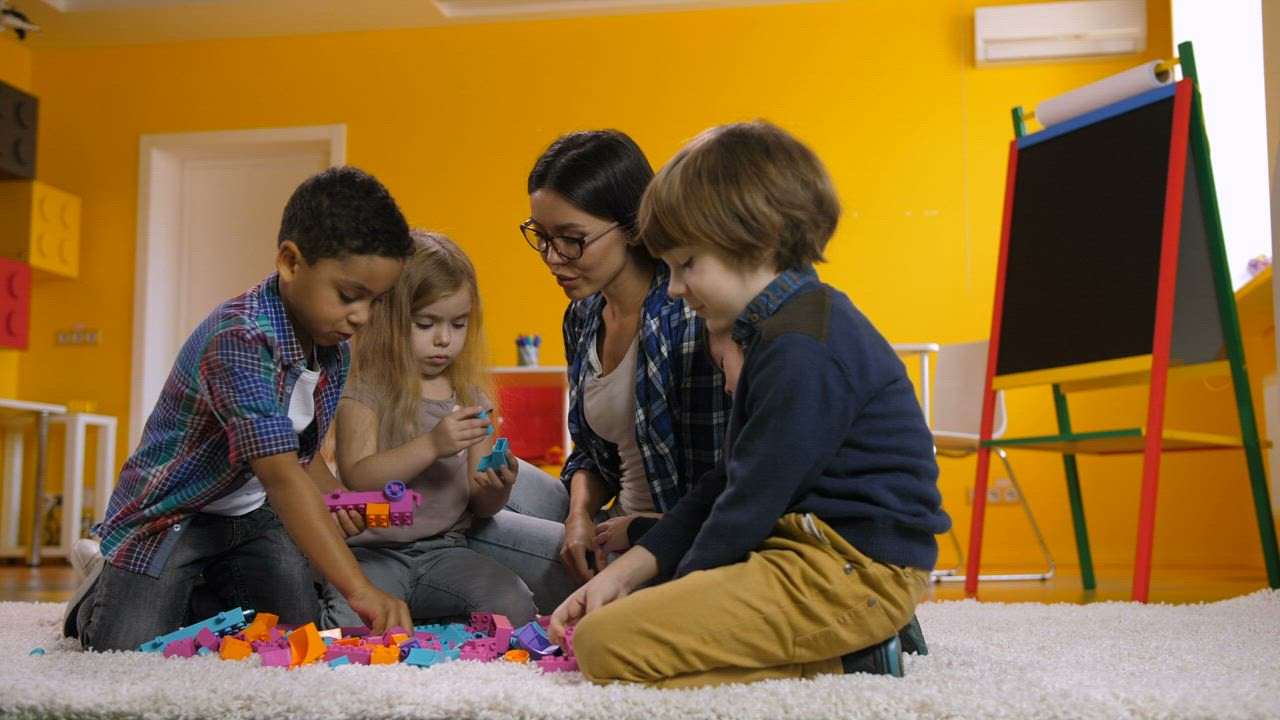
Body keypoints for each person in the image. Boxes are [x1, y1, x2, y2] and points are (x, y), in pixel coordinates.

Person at [548, 121, 951, 688]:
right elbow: (726, 481)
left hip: (855, 573)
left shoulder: (800, 350)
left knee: (604, 645)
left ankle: (849, 660)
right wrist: (634, 571)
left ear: (756, 244)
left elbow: (747, 505)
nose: (675, 289)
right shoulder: (776, 332)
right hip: (812, 554)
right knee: (617, 627)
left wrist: (677, 594)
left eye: (687, 265)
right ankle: (845, 654)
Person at [64, 166, 415, 651]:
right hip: (174, 515)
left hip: (252, 514)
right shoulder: (240, 338)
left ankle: (196, 588)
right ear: (291, 263)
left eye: (375, 302)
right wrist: (359, 588)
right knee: (126, 648)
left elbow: (302, 454)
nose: (361, 316)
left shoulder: (333, 346)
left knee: (295, 633)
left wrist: (338, 501)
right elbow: (282, 475)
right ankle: (101, 578)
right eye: (350, 296)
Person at [321, 230, 564, 627]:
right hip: (370, 552)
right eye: (426, 323)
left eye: (458, 324)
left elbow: (481, 504)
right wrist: (432, 444)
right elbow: (358, 475)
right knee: (350, 627)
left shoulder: (470, 398)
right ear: (389, 319)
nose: (443, 340)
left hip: (445, 550)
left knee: (515, 604)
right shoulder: (365, 390)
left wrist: (498, 485)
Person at [523, 130, 729, 584]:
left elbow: (718, 483)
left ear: (633, 225)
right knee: (496, 477)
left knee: (484, 536)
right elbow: (592, 456)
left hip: (666, 546)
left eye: (572, 239)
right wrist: (579, 516)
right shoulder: (582, 316)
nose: (553, 258)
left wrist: (637, 537)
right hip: (610, 527)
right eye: (542, 235)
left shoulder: (689, 316)